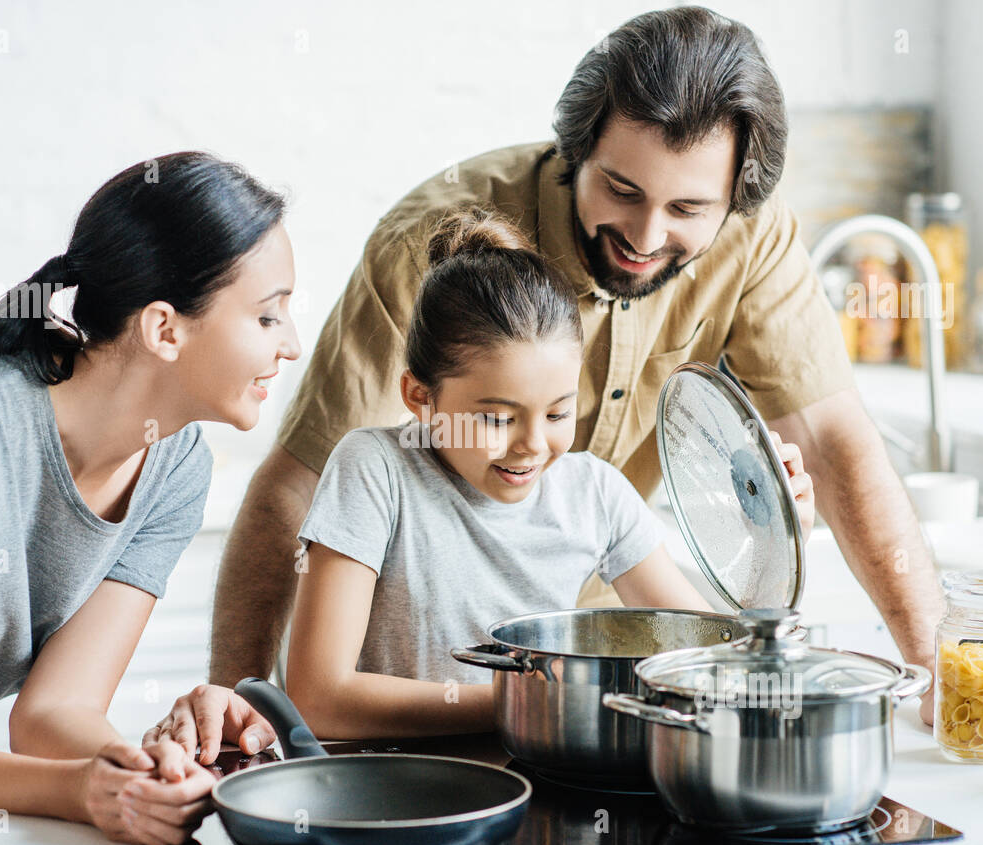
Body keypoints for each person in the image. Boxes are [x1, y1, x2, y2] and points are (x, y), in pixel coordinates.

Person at [196, 6, 942, 729]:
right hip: (422, 701)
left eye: (687, 209)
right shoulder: (426, 244)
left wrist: (938, 665)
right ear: (577, 149)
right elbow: (298, 485)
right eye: (622, 190)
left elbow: (831, 437)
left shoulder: (752, 238)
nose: (647, 237)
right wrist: (233, 717)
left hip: (581, 690)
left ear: (733, 199)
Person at [0, 152, 298, 845]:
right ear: (164, 328)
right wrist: (80, 790)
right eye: (267, 317)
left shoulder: (177, 464)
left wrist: (137, 774)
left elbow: (54, 710)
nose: (292, 344)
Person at [281, 208, 815, 738]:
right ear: (420, 398)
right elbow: (319, 698)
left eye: (558, 413)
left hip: (540, 785)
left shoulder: (596, 494)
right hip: (402, 797)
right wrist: (534, 708)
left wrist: (777, 542)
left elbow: (711, 661)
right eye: (496, 418)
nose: (533, 446)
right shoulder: (375, 471)